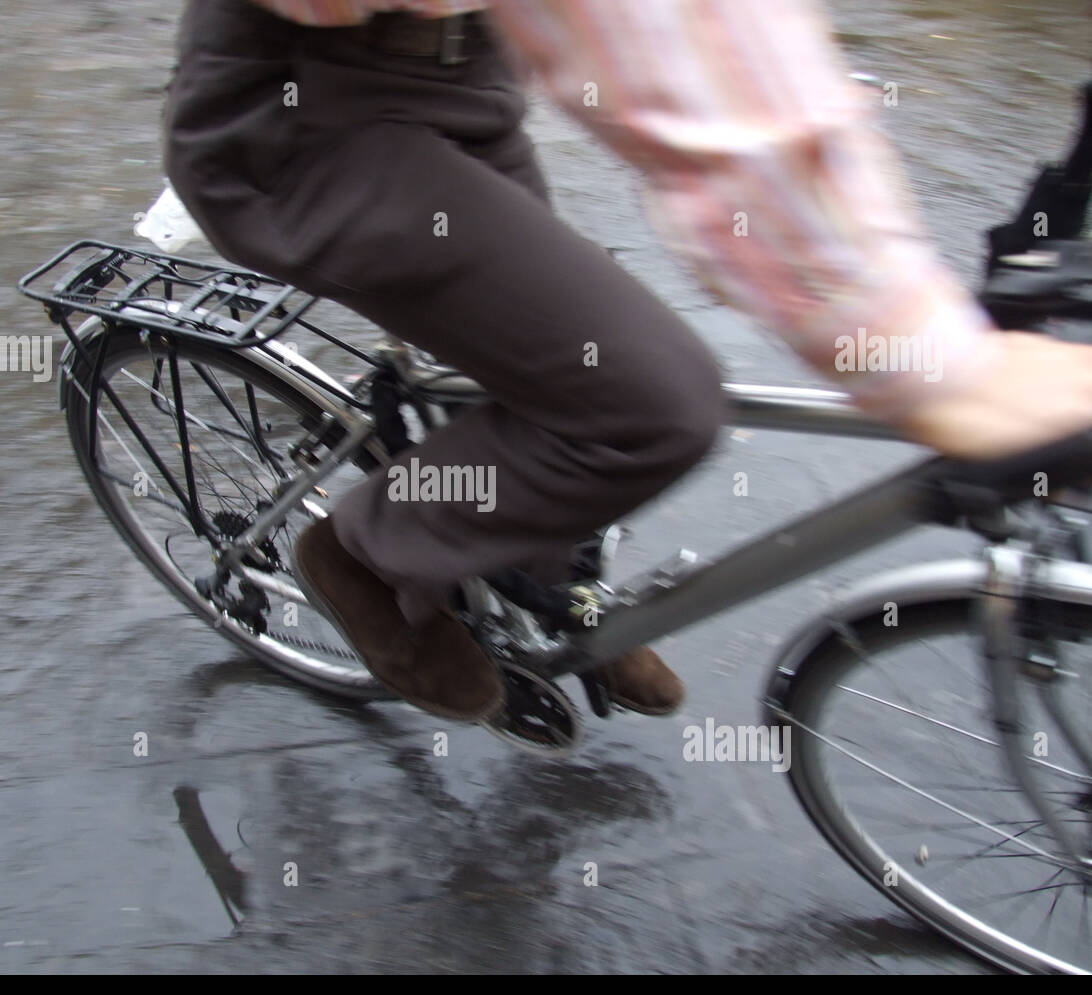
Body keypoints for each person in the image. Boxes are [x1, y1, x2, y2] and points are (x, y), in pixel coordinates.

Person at [164, 0, 1092, 723]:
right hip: (298, 119)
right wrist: (919, 352)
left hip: (459, 72)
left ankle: (538, 581)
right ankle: (361, 552)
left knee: (547, 361)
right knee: (652, 403)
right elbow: (695, 46)